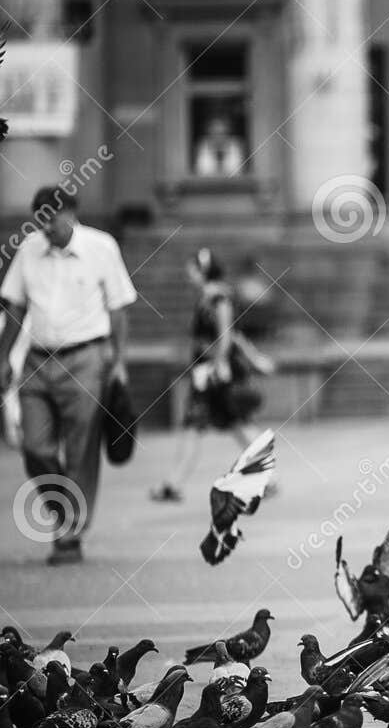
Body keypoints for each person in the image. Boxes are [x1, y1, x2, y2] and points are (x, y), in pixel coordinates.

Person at [0, 186, 137, 565]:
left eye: (52, 219)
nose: (46, 228)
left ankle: (70, 531)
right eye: (40, 220)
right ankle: (64, 508)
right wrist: (3, 356)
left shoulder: (101, 247)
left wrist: (119, 361)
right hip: (36, 361)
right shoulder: (29, 249)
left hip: (86, 359)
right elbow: (14, 305)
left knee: (81, 449)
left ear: (72, 214)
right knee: (35, 447)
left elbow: (118, 308)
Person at [150, 248, 276, 503]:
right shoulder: (209, 296)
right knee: (231, 425)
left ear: (203, 271)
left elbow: (227, 334)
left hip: (213, 375)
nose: (188, 275)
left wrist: (221, 365)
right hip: (208, 373)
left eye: (192, 270)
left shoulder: (218, 297)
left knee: (207, 426)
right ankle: (173, 483)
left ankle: (172, 484)